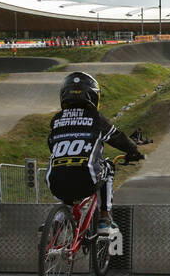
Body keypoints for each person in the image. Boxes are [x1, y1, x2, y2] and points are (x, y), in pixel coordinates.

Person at [46, 71, 143, 236]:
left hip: (55, 183)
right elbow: (117, 138)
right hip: (86, 180)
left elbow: (51, 143)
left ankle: (59, 219)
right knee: (108, 166)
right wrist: (134, 150)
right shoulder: (96, 118)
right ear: (93, 95)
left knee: (64, 171)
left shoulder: (56, 119)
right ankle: (104, 218)